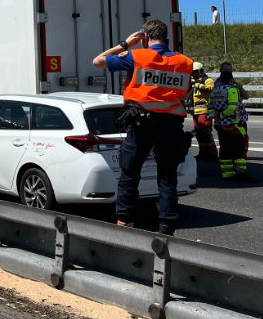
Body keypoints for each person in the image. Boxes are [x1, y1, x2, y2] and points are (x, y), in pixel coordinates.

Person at [93, 19, 193, 236]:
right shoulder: (185, 62)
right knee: (167, 177)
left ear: (145, 38)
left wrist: (125, 44)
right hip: (171, 125)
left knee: (130, 175)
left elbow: (98, 61)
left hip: (142, 125)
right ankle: (167, 229)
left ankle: (125, 225)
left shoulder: (137, 56)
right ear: (167, 38)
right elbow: (185, 93)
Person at [207, 63, 252, 181]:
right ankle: (241, 173)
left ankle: (227, 173)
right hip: (234, 124)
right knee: (240, 148)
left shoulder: (215, 91)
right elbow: (232, 107)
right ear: (231, 80)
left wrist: (215, 116)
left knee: (225, 148)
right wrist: (222, 115)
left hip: (220, 125)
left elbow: (210, 107)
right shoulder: (232, 90)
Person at [190, 62, 218, 160]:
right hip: (195, 111)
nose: (193, 74)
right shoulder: (192, 81)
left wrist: (198, 85)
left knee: (206, 131)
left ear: (200, 71)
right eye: (192, 72)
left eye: (194, 72)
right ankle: (203, 153)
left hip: (204, 111)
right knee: (199, 133)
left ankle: (212, 153)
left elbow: (211, 88)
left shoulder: (207, 80)